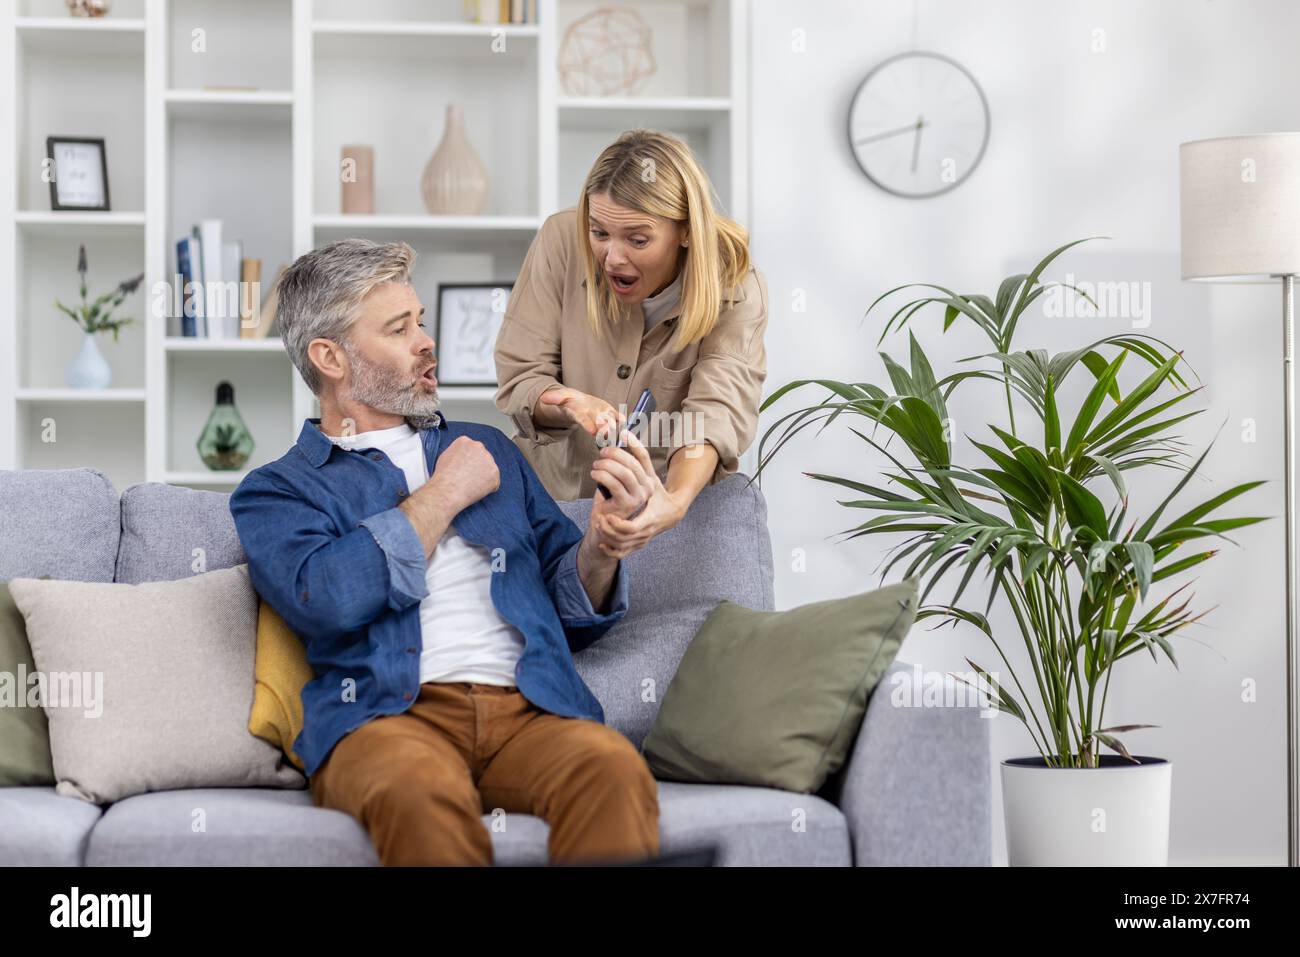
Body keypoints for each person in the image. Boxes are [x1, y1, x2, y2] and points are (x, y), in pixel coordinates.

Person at [229, 238, 661, 866]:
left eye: (422, 322)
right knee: (418, 793)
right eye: (400, 328)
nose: (426, 342)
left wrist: (601, 544)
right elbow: (326, 598)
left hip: (532, 709)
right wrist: (446, 493)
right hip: (388, 720)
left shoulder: (490, 448)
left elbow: (571, 613)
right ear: (331, 357)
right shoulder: (280, 489)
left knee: (614, 770)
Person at [495, 128, 768, 555]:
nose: (612, 257)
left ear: (685, 231)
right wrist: (571, 402)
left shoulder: (733, 285)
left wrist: (673, 502)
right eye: (599, 232)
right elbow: (521, 379)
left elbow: (715, 412)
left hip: (658, 507)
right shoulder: (560, 240)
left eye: (637, 240)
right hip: (549, 502)